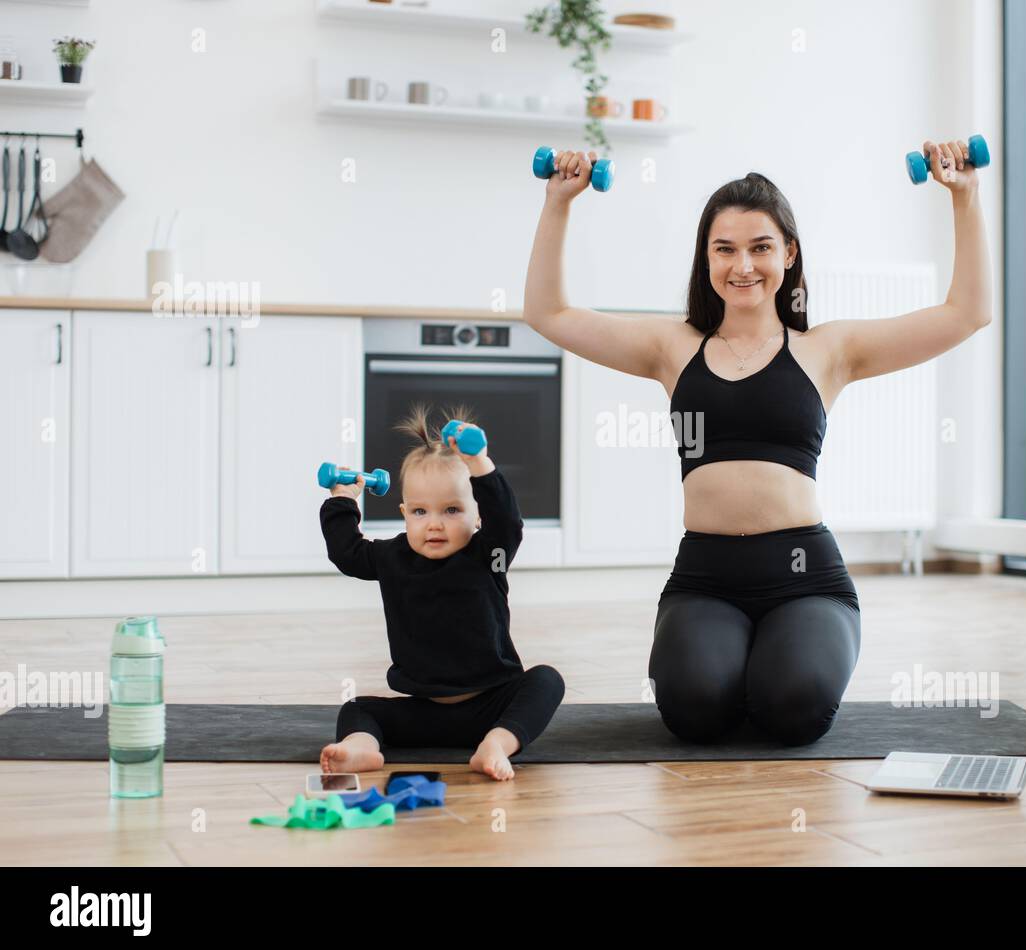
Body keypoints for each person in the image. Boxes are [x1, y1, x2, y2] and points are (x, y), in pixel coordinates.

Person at [522, 141, 991, 745]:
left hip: (807, 579)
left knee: (793, 709)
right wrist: (558, 201)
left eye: (761, 247)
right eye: (725, 249)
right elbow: (547, 312)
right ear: (707, 259)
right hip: (706, 578)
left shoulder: (830, 350)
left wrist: (966, 197)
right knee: (694, 713)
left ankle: (776, 664)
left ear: (789, 254)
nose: (743, 265)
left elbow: (966, 312)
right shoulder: (673, 348)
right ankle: (732, 666)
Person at [318, 404, 565, 779]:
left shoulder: (488, 555)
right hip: (426, 712)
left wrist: (478, 462)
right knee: (356, 708)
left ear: (477, 516)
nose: (434, 525)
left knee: (546, 680)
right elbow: (347, 553)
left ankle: (496, 743)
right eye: (420, 512)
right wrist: (343, 500)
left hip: (493, 705)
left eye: (451, 510)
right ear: (404, 512)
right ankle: (361, 748)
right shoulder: (391, 556)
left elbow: (508, 522)